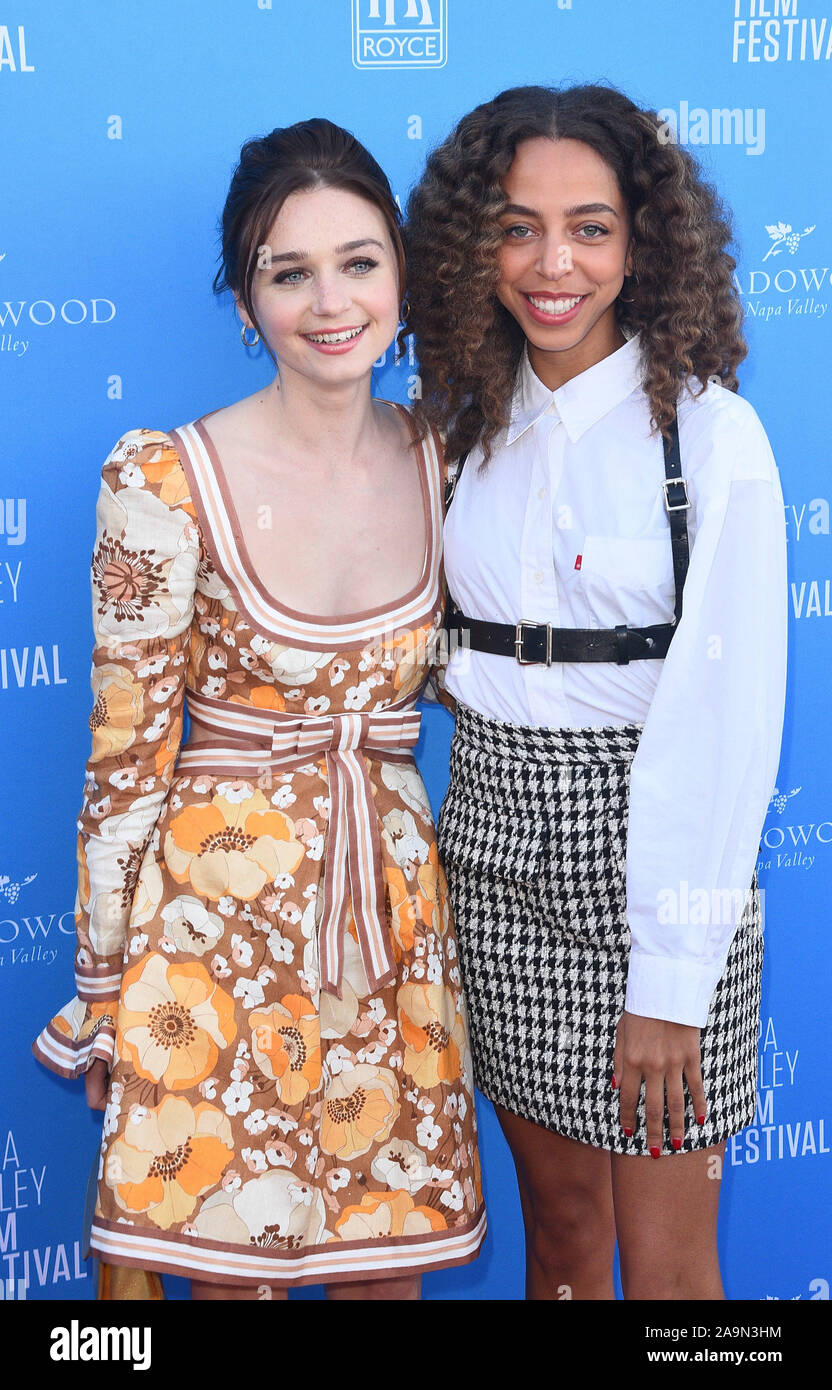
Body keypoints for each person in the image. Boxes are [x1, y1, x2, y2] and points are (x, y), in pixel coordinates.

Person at [33, 118, 485, 1301]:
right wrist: (99, 984)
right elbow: (126, 757)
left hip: (389, 932)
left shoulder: (450, 458)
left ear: (401, 273)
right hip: (213, 942)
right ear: (245, 300)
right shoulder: (164, 478)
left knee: (391, 1270)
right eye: (288, 272)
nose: (330, 300)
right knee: (233, 1279)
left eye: (357, 261)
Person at [405, 84, 787, 1301]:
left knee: (672, 1270)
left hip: (657, 860)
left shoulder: (713, 439)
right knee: (562, 1243)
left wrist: (672, 979)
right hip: (494, 847)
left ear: (643, 243)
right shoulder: (460, 423)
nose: (551, 263)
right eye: (516, 227)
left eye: (590, 227)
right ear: (476, 244)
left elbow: (722, 729)